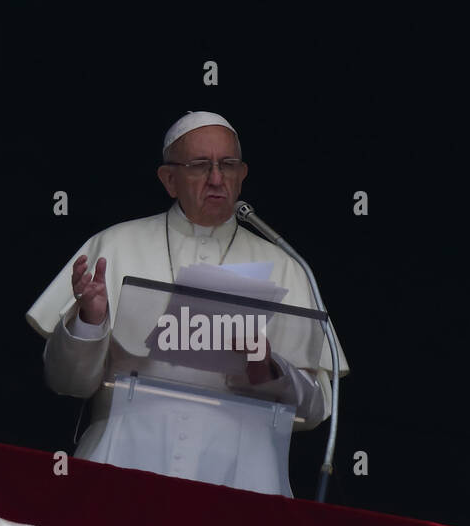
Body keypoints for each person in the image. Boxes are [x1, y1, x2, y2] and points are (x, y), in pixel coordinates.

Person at [26, 111, 348, 496]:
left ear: (243, 174)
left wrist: (267, 368)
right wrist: (90, 320)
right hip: (123, 460)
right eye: (199, 165)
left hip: (244, 478)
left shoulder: (287, 267)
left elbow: (315, 411)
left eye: (228, 165)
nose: (217, 178)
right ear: (169, 180)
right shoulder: (114, 245)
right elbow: (66, 384)